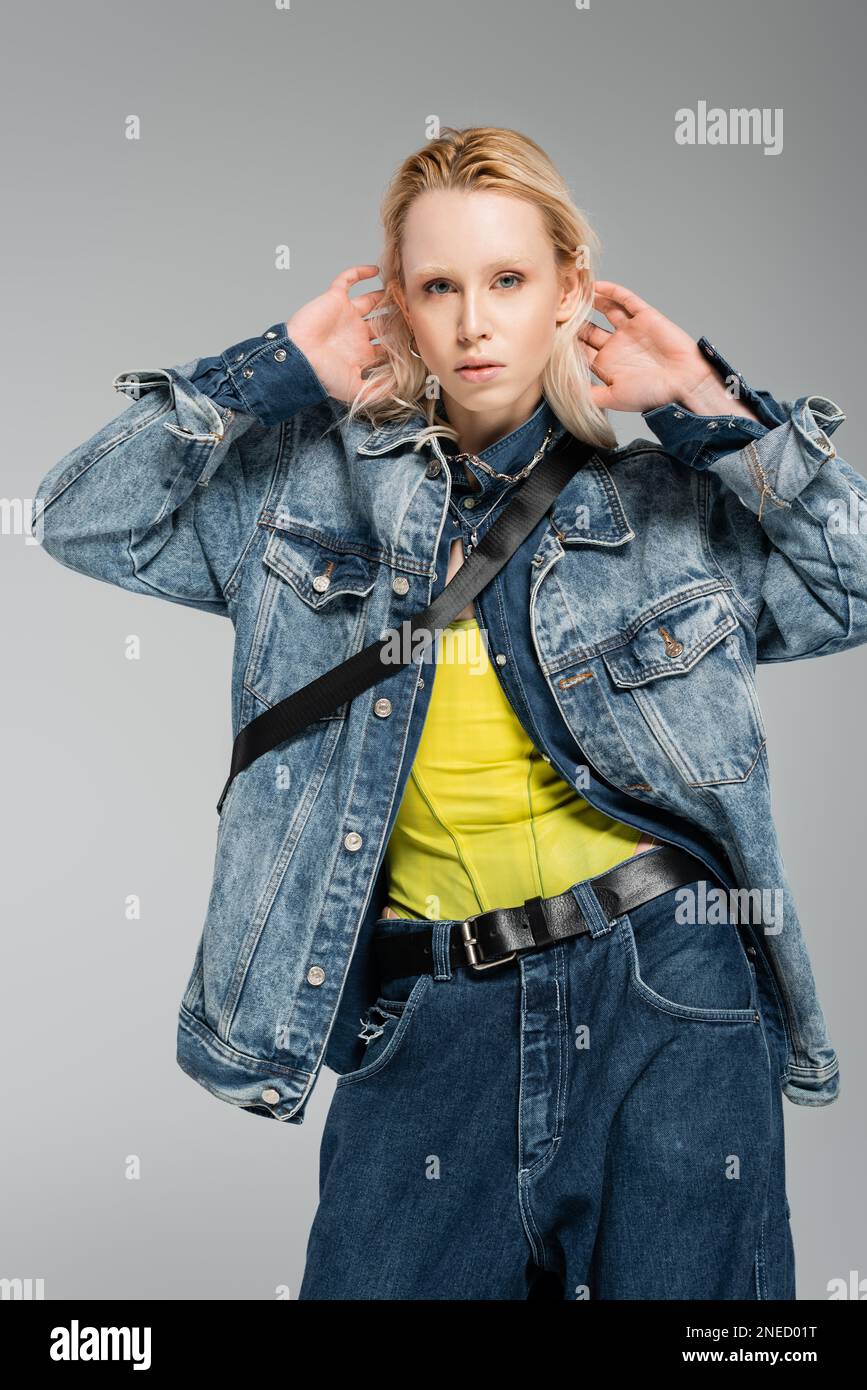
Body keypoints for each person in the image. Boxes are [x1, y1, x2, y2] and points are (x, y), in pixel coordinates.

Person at [32, 126, 858, 1300]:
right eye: (439, 287)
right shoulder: (303, 494)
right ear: (402, 307)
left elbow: (857, 578)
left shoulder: (673, 504)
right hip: (428, 1017)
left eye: (510, 281)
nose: (475, 322)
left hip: (666, 1003)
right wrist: (261, 374)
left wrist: (712, 410)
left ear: (572, 287)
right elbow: (77, 519)